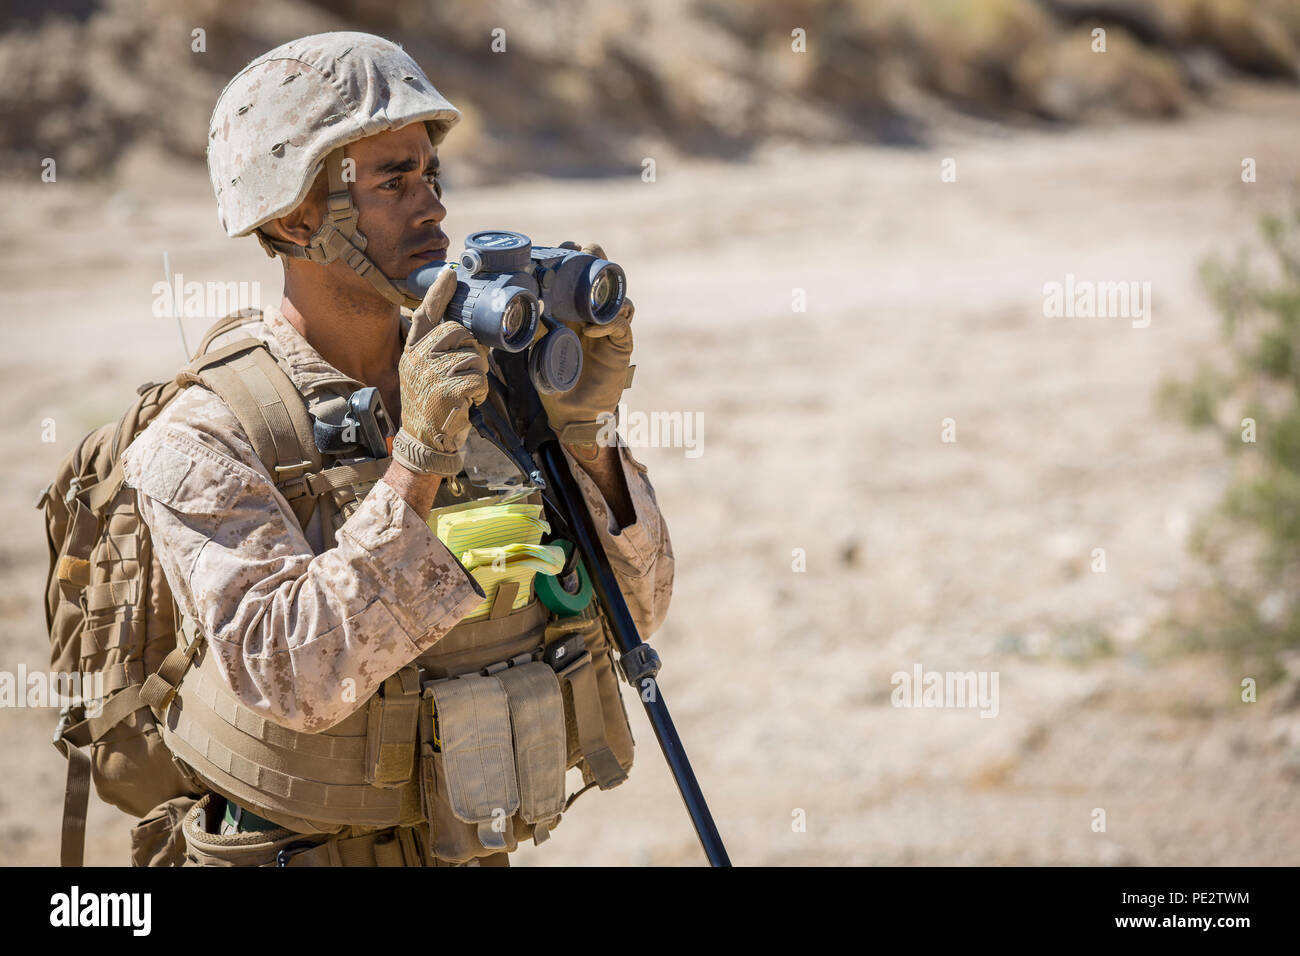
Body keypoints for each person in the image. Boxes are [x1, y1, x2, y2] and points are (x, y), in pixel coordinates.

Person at [120, 31, 674, 866]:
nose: (433, 207)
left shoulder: (480, 377)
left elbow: (644, 607)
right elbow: (294, 679)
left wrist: (586, 433)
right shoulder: (208, 435)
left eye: (430, 174)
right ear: (295, 214)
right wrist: (416, 460)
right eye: (393, 179)